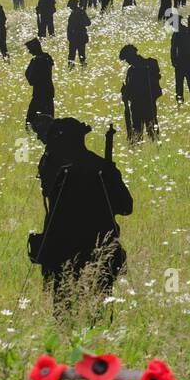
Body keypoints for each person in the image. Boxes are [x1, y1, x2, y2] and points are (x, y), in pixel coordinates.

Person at [31, 116, 132, 318]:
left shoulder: (63, 174)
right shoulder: (103, 168)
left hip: (66, 253)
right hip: (100, 252)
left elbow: (53, 214)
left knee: (63, 315)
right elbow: (126, 206)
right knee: (100, 315)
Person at [119, 44, 162, 142]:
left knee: (148, 130)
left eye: (127, 59)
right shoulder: (134, 70)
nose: (127, 61)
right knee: (142, 131)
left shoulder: (146, 66)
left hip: (144, 104)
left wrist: (127, 93)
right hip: (141, 104)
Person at [24, 38, 55, 134]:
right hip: (48, 91)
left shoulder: (36, 61)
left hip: (39, 93)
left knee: (31, 117)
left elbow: (31, 79)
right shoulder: (47, 58)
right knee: (49, 115)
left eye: (30, 49)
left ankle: (32, 133)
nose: (29, 51)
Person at [170, 16, 190, 103]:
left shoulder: (176, 34)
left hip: (180, 62)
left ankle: (180, 100)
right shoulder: (187, 31)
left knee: (179, 84)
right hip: (189, 61)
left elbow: (173, 49)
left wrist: (173, 61)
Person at [65, 0, 91, 66]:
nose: (70, 7)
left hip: (75, 37)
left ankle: (71, 68)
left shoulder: (76, 13)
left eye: (70, 5)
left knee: (72, 56)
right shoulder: (81, 12)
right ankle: (82, 69)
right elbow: (88, 23)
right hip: (81, 36)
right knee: (81, 55)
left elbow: (88, 23)